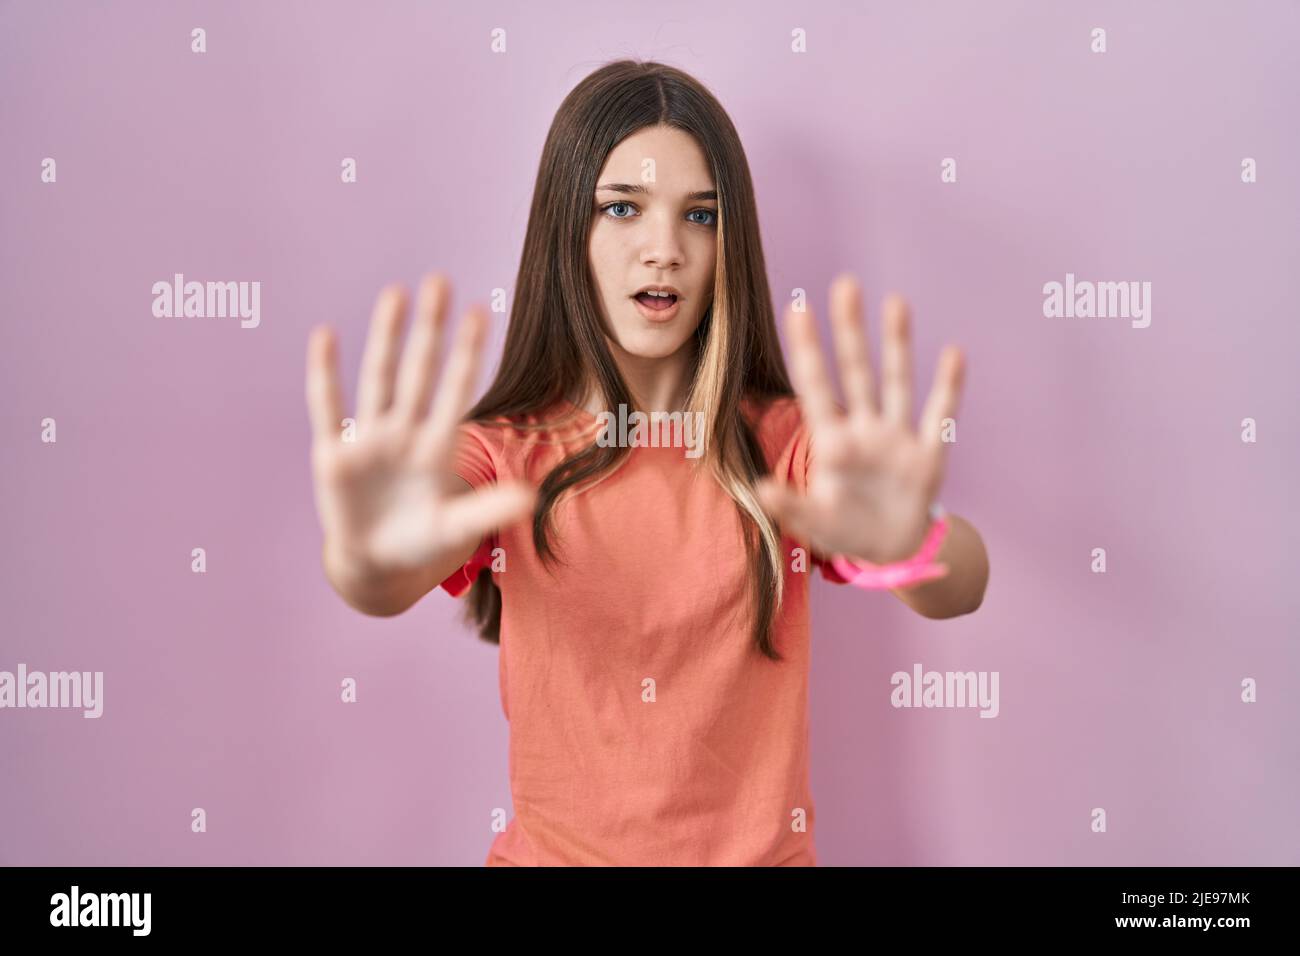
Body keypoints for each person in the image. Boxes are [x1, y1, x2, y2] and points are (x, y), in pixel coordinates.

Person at [304, 59, 989, 866]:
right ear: (568, 231)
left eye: (699, 216)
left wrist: (911, 545)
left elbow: (962, 583)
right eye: (622, 208)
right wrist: (362, 560)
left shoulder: (790, 446)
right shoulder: (499, 454)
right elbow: (380, 581)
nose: (664, 249)